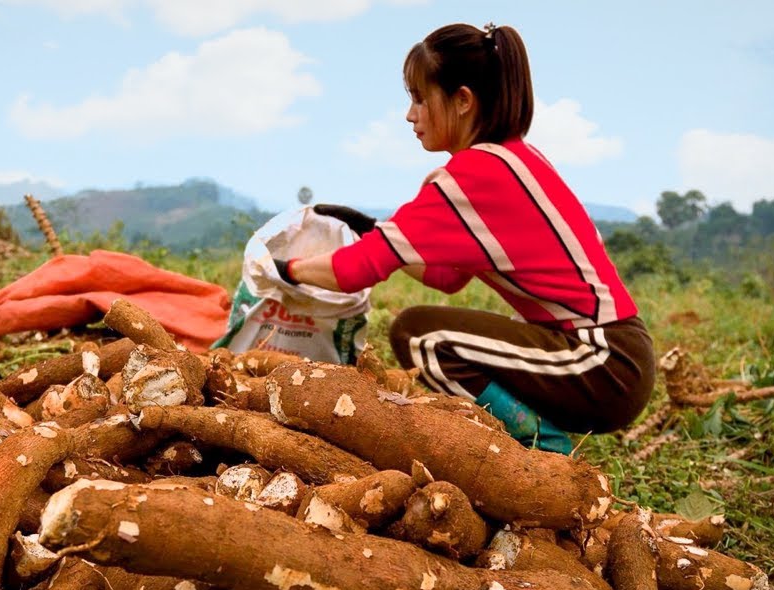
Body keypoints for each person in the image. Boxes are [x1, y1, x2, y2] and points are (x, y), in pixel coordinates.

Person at [274, 22, 655, 454]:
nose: (409, 114)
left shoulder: (473, 175)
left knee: (419, 335)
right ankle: (536, 447)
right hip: (619, 357)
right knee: (427, 330)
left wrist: (284, 270)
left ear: (462, 101)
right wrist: (375, 231)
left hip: (601, 363)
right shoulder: (512, 158)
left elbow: (353, 271)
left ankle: (548, 455)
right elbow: (446, 277)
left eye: (419, 98)